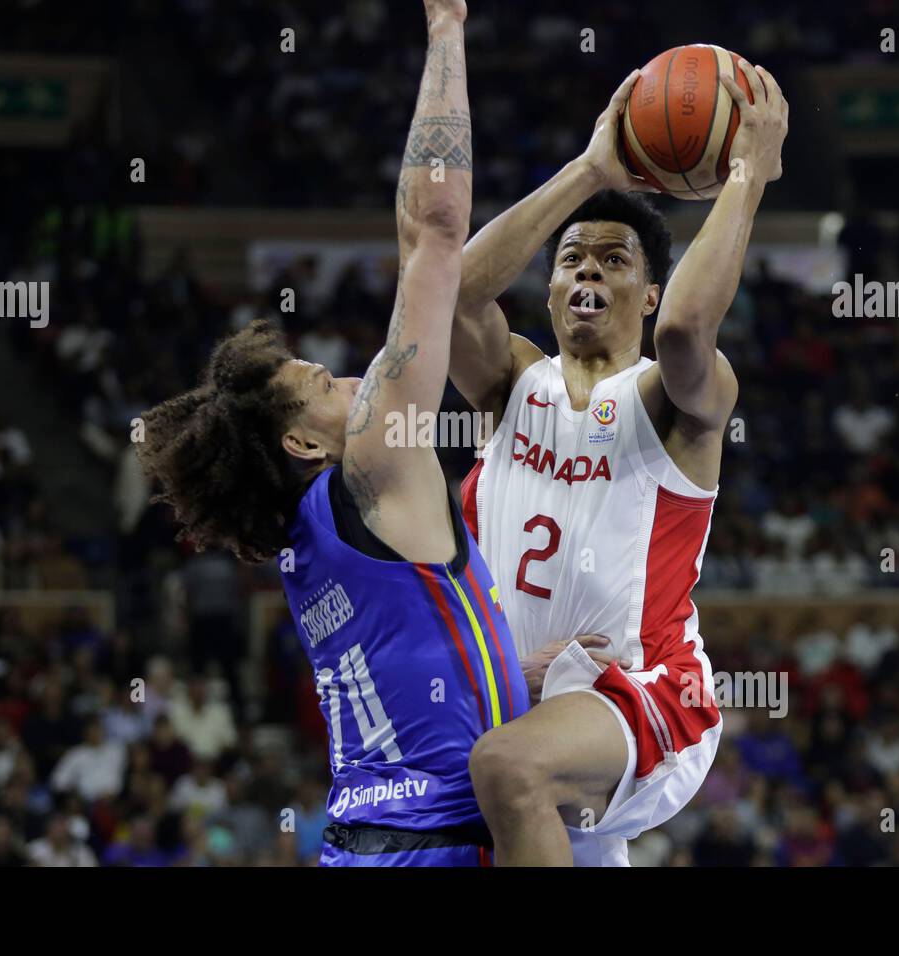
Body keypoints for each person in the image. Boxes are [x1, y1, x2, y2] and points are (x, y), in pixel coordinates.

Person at [137, 0, 529, 866]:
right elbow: (435, 230)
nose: (353, 380)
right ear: (303, 445)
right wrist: (447, 30)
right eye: (324, 385)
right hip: (431, 848)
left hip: (363, 843)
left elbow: (436, 675)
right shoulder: (376, 468)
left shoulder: (310, 545)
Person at [456, 61, 789, 865]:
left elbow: (683, 332)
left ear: (648, 292)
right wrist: (591, 171)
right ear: (548, 292)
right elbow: (454, 294)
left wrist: (747, 173)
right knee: (506, 779)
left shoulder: (671, 400)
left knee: (508, 768)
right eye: (572, 260)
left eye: (612, 260)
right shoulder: (511, 386)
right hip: (519, 702)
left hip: (648, 690)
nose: (587, 273)